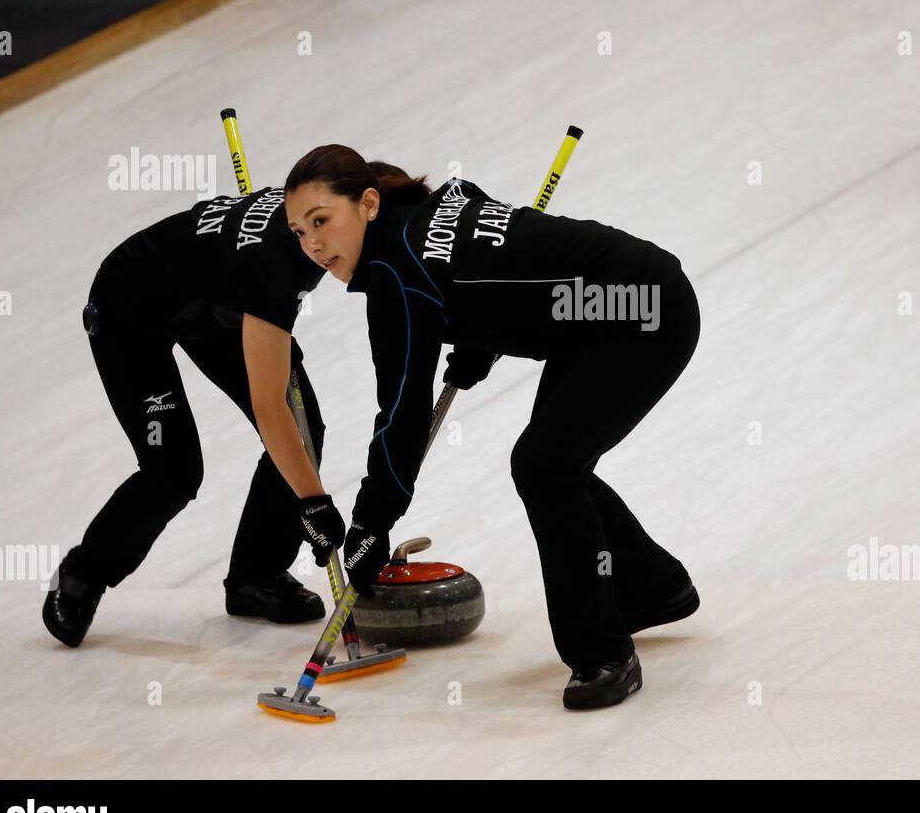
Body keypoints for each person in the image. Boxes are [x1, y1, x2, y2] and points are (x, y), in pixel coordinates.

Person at [282, 146, 701, 709]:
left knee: (546, 468)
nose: (312, 244)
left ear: (369, 205)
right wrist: (478, 335)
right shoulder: (428, 209)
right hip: (597, 314)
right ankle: (653, 587)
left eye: (321, 221)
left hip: (644, 312)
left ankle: (603, 654)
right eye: (299, 231)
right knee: (554, 465)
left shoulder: (397, 277)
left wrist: (371, 523)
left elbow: (403, 411)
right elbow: (477, 230)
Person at [44, 188, 347, 648]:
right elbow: (270, 407)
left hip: (218, 306)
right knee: (174, 472)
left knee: (301, 435)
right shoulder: (282, 260)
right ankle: (84, 573)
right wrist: (313, 503)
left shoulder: (316, 228)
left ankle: (257, 576)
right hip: (132, 311)